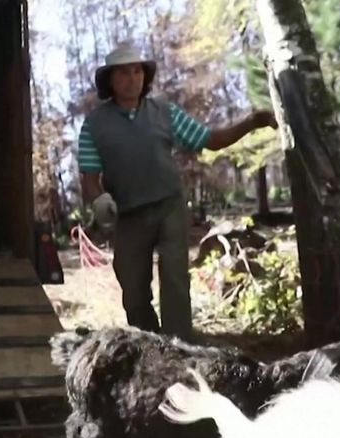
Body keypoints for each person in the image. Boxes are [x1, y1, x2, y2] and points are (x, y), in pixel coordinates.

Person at [77, 44, 277, 342]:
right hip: (128, 214)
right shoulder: (95, 125)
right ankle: (148, 345)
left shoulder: (164, 112)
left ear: (145, 76)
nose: (132, 78)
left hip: (169, 207)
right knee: (133, 290)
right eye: (123, 72)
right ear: (110, 80)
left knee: (174, 282)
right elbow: (89, 176)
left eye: (137, 71)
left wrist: (251, 123)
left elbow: (210, 140)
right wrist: (98, 199)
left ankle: (179, 347)